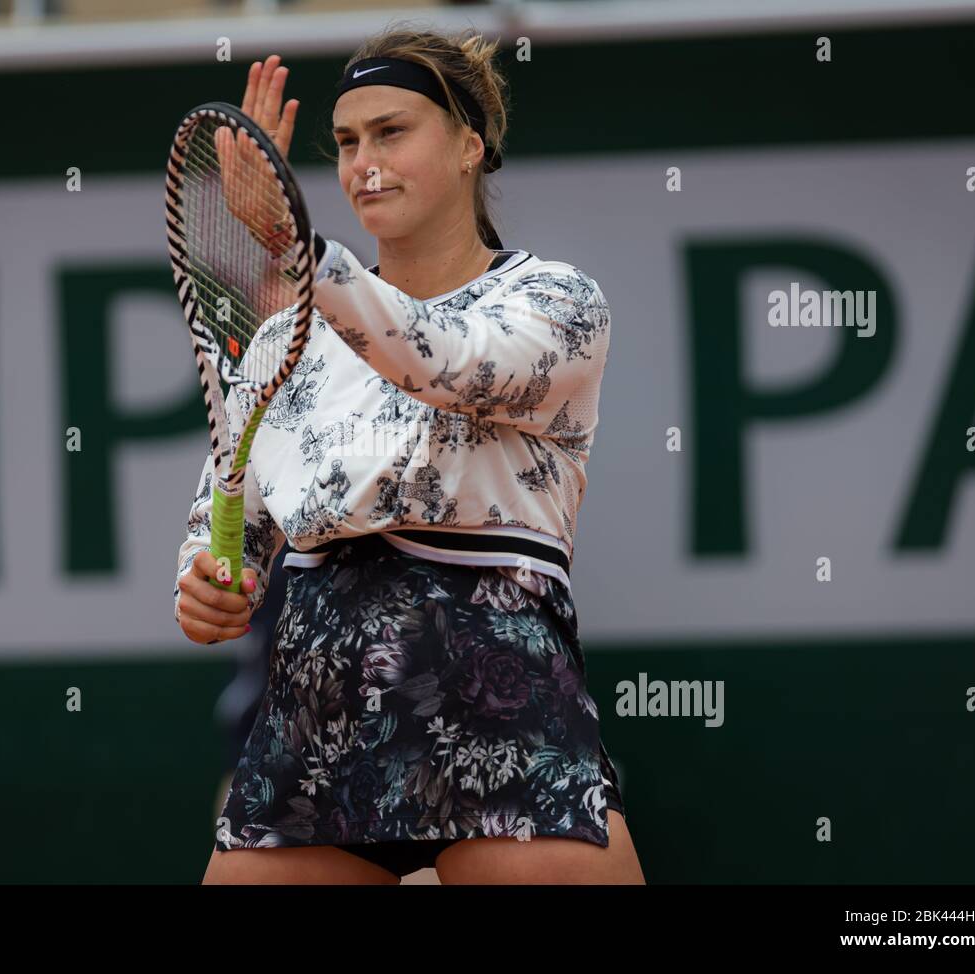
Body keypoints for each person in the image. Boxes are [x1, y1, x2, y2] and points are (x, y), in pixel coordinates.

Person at [175, 25, 645, 885]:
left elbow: (440, 358)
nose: (363, 163)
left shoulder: (559, 303)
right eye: (348, 143)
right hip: (316, 721)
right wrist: (210, 579)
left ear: (471, 146)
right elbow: (230, 520)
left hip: (500, 715)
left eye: (392, 132)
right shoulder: (288, 340)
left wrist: (294, 251)